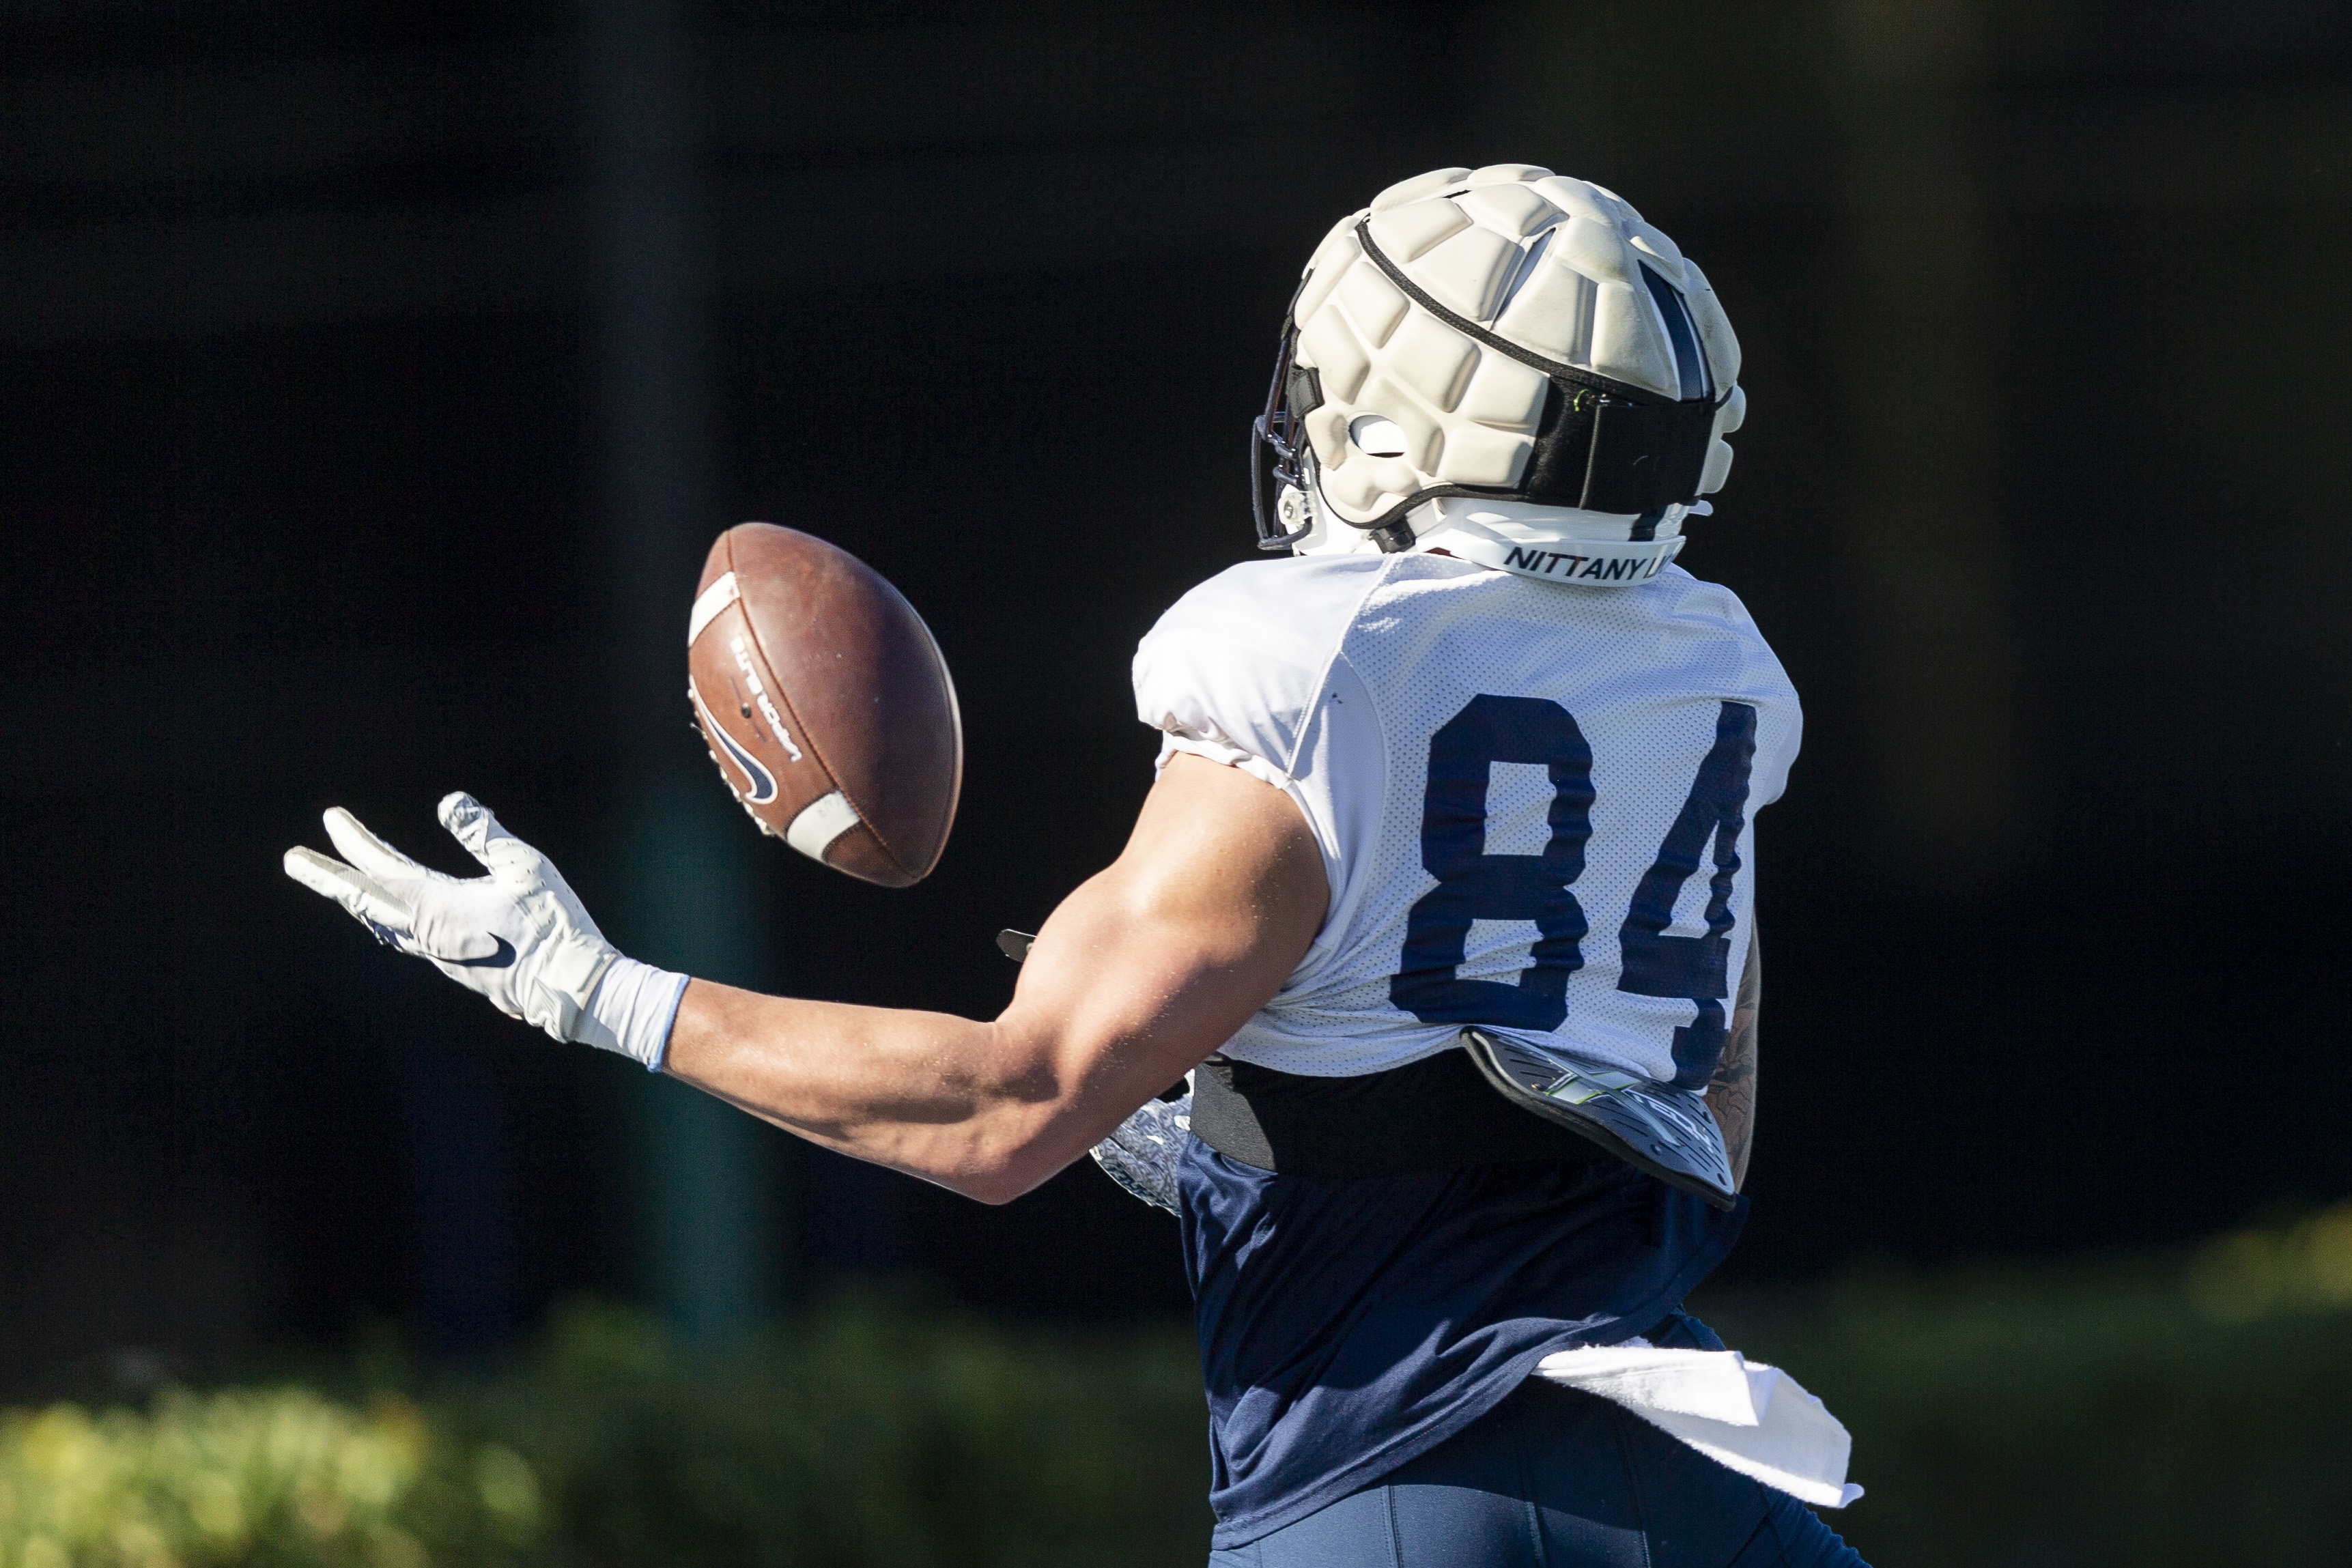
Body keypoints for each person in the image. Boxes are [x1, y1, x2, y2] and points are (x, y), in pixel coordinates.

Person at [286, 164, 1869, 1566]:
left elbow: (1006, 1109)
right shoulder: (1713, 673)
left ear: (1399, 421)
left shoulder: (1308, 659)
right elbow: (1700, 1118)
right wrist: (1251, 1141)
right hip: (1676, 1475)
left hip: (1386, 1487)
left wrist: (596, 991)